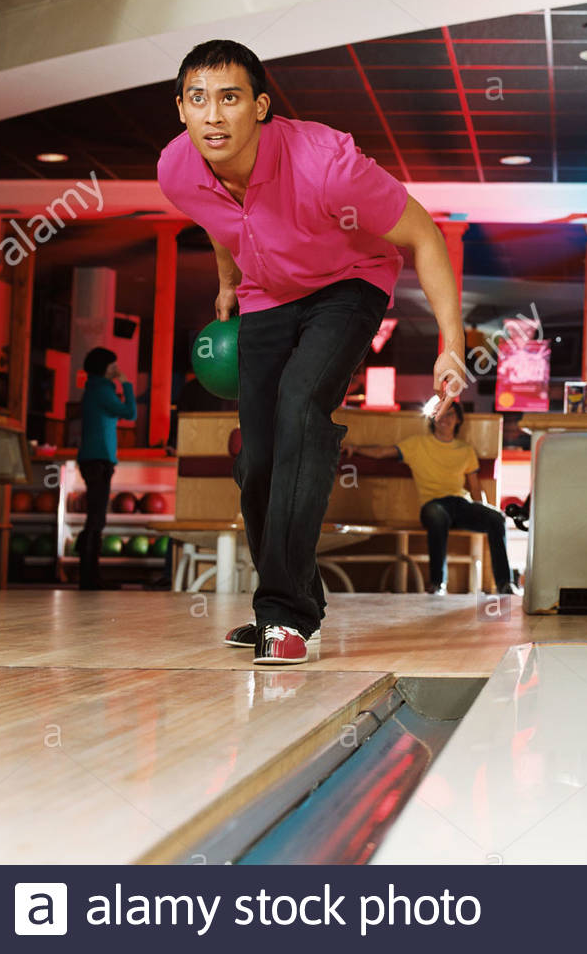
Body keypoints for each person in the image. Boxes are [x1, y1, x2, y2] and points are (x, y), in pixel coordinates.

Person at [157, 39, 464, 665]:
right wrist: (225, 282)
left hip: (348, 284)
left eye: (230, 98)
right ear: (181, 109)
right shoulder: (176, 168)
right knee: (258, 455)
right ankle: (299, 605)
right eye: (198, 99)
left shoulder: (327, 165)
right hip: (266, 295)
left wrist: (450, 347)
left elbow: (424, 234)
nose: (213, 115)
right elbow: (222, 221)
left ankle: (282, 615)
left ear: (261, 106)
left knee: (301, 406)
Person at [345, 401, 514, 596]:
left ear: (458, 420)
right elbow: (382, 452)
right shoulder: (417, 444)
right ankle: (437, 584)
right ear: (433, 419)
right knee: (436, 514)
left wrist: (483, 511)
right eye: (440, 414)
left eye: (450, 414)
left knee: (497, 517)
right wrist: (355, 448)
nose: (444, 419)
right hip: (433, 505)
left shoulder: (465, 449)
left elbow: (475, 488)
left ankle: (504, 584)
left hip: (461, 504)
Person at [75, 347, 136, 591]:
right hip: (98, 460)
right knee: (96, 518)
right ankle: (89, 579)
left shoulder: (95, 389)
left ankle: (89, 576)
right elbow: (130, 413)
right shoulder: (102, 390)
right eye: (113, 364)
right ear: (105, 368)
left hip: (94, 459)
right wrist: (127, 384)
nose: (117, 368)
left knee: (95, 517)